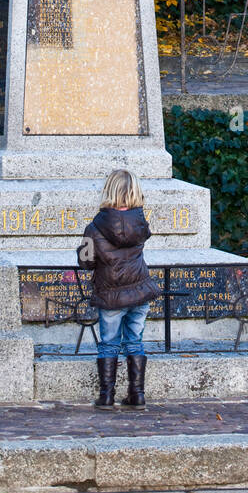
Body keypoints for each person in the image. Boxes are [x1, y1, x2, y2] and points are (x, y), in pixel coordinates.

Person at [77, 168, 160, 409]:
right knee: (135, 341)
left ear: (108, 190)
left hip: (111, 294)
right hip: (139, 290)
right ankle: (137, 395)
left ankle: (106, 396)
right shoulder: (141, 223)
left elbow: (86, 262)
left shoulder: (93, 228)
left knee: (109, 343)